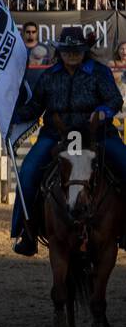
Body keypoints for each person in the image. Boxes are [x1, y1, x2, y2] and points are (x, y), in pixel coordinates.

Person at [10, 27, 126, 256]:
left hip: (98, 134)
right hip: (55, 135)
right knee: (27, 174)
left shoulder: (99, 72)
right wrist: (13, 114)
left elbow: (114, 99)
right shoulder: (49, 76)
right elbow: (36, 106)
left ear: (85, 51)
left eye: (76, 50)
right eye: (67, 51)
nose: (72, 55)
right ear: (60, 52)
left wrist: (103, 111)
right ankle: (26, 232)